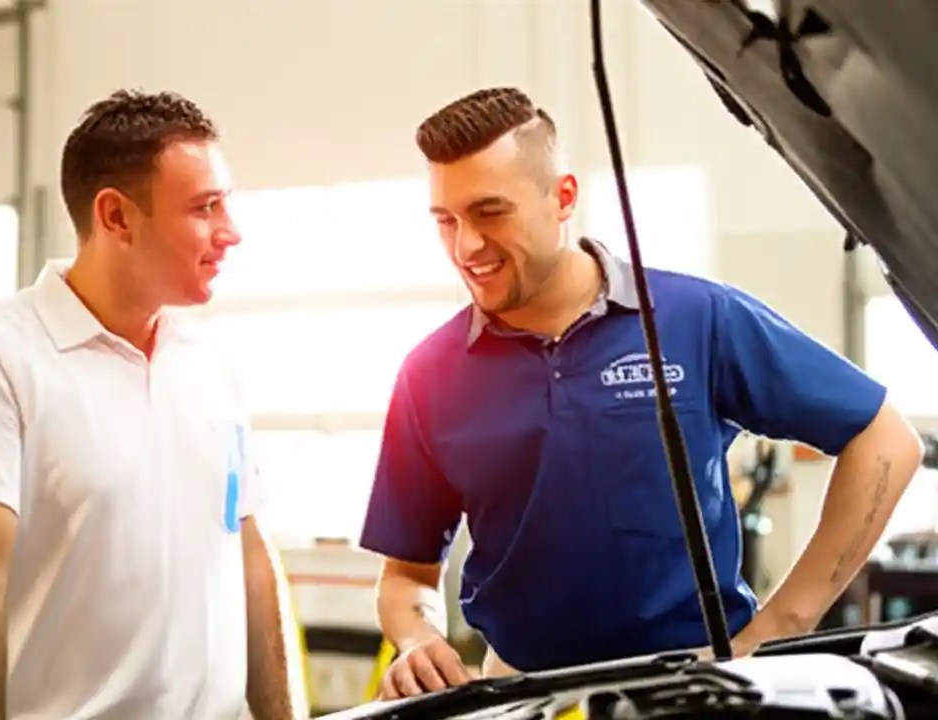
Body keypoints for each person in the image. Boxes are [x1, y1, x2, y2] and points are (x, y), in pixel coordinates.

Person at [359, 86, 924, 698]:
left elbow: (886, 441)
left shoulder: (694, 319)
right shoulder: (429, 373)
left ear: (562, 198)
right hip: (524, 694)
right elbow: (407, 576)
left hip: (697, 687)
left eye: (490, 212)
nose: (466, 246)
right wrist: (418, 640)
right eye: (446, 220)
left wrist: (782, 626)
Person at [0, 89, 297, 720]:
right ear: (116, 217)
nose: (231, 232)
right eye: (205, 207)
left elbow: (248, 558)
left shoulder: (210, 364)